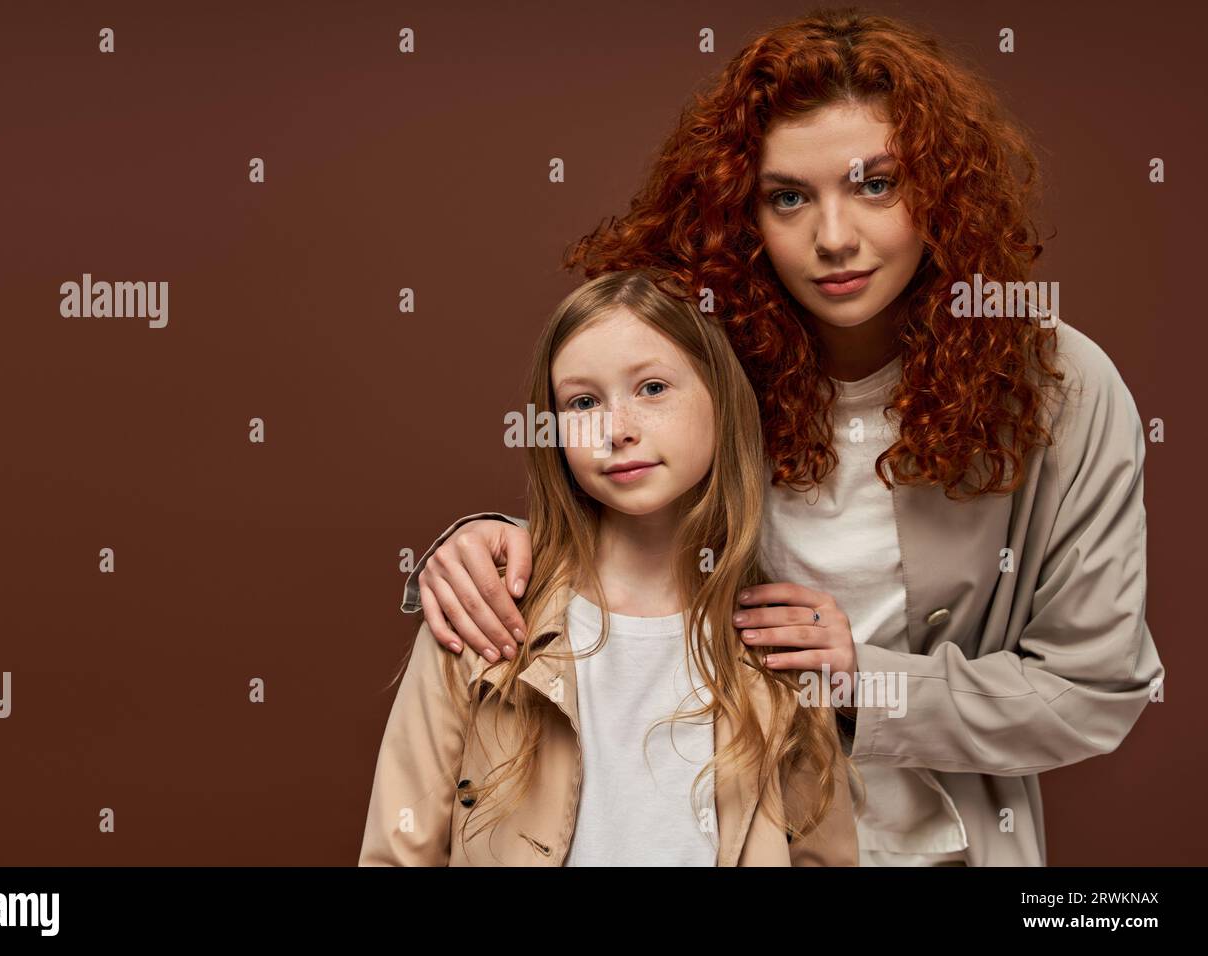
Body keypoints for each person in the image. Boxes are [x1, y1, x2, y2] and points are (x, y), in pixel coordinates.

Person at [394, 8, 1163, 866]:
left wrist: (863, 684)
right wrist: (495, 547)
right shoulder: (702, 353)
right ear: (741, 209)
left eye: (876, 184)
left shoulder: (1057, 389)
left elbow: (1095, 690)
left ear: (942, 192)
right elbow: (613, 522)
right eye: (789, 197)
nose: (834, 238)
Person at [361, 271, 858, 866]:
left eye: (652, 388)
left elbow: (821, 856)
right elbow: (397, 851)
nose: (617, 430)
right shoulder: (483, 613)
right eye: (583, 402)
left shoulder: (780, 642)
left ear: (721, 400)